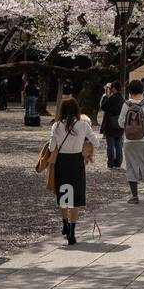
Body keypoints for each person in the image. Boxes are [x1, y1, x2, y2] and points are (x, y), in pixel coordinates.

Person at [47, 98, 98, 245]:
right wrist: (84, 143)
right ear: (77, 110)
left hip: (61, 162)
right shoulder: (83, 125)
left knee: (64, 194)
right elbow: (97, 142)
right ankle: (72, 232)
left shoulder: (56, 126)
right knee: (75, 197)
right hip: (76, 162)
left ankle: (65, 223)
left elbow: (51, 148)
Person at [119, 80, 144, 203]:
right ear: (143, 91)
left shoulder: (126, 105)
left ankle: (134, 196)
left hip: (129, 141)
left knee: (131, 166)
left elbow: (120, 123)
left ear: (130, 92)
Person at [98, 82, 124, 169]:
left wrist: (106, 96)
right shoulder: (122, 99)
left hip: (110, 124)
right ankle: (118, 163)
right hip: (120, 124)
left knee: (110, 145)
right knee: (119, 144)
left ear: (113, 88)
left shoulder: (112, 98)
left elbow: (103, 107)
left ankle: (110, 163)